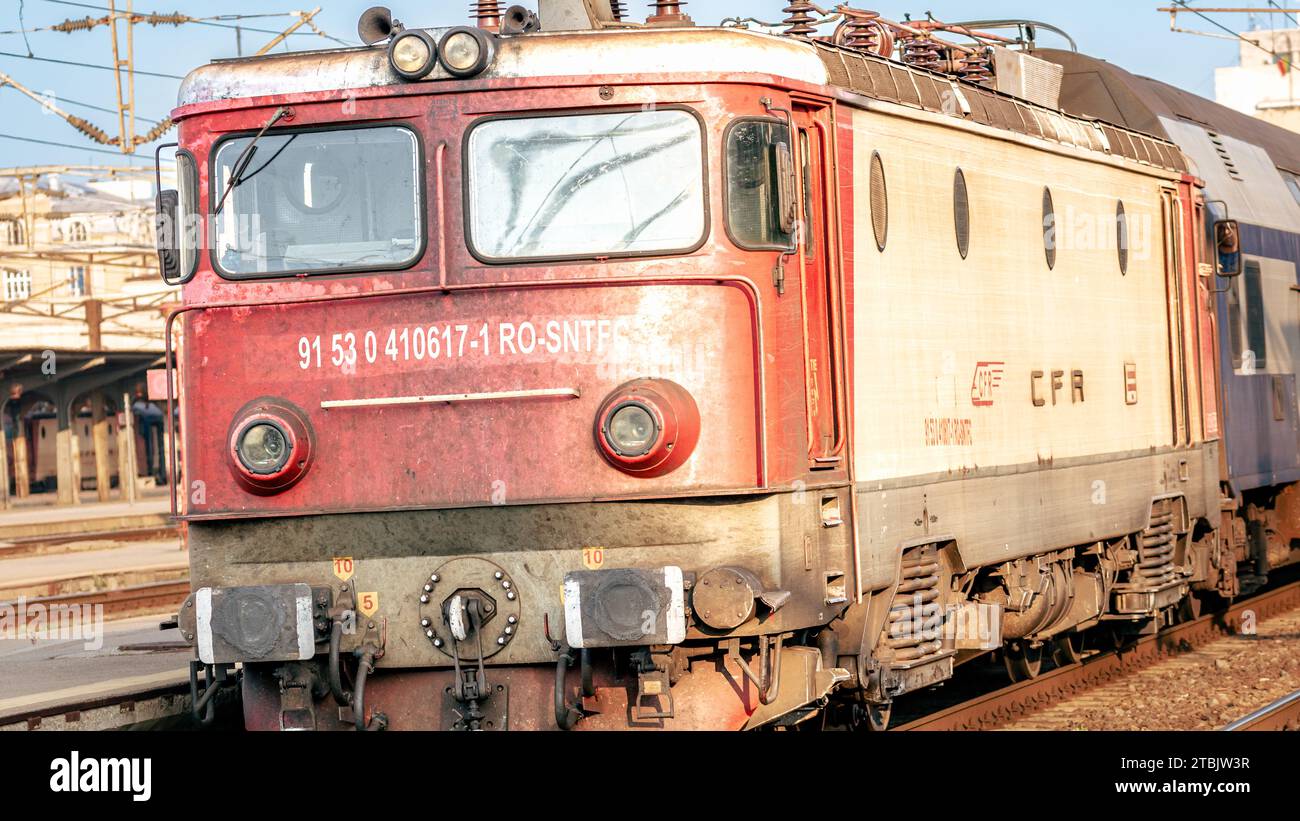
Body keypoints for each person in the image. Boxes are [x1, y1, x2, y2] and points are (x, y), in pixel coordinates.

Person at [131, 386, 166, 483]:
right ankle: (160, 473)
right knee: (158, 448)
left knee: (150, 448)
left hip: (146, 422)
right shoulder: (150, 402)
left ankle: (151, 471)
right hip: (156, 420)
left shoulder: (136, 403)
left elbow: (133, 408)